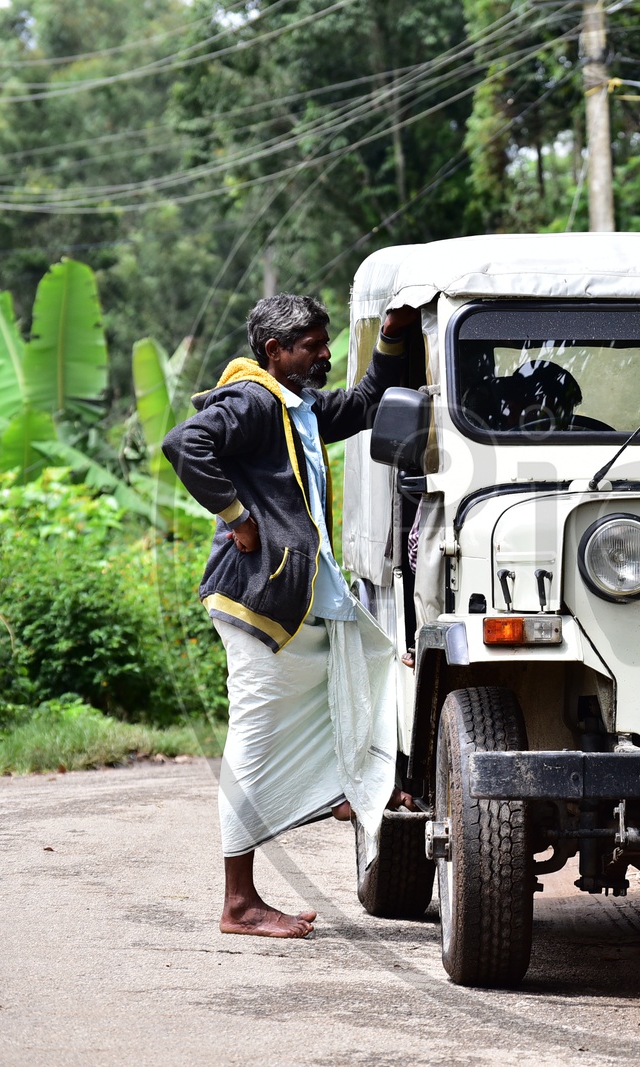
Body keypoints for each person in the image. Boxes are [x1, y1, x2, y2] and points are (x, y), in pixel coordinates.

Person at [163, 294, 417, 938]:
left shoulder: (294, 406)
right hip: (258, 602)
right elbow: (184, 443)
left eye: (324, 342)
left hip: (299, 597)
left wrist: (390, 339)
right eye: (312, 344)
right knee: (254, 740)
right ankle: (239, 903)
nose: (324, 353)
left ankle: (350, 785)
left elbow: (363, 403)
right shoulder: (251, 401)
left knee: (371, 667)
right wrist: (239, 518)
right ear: (275, 352)